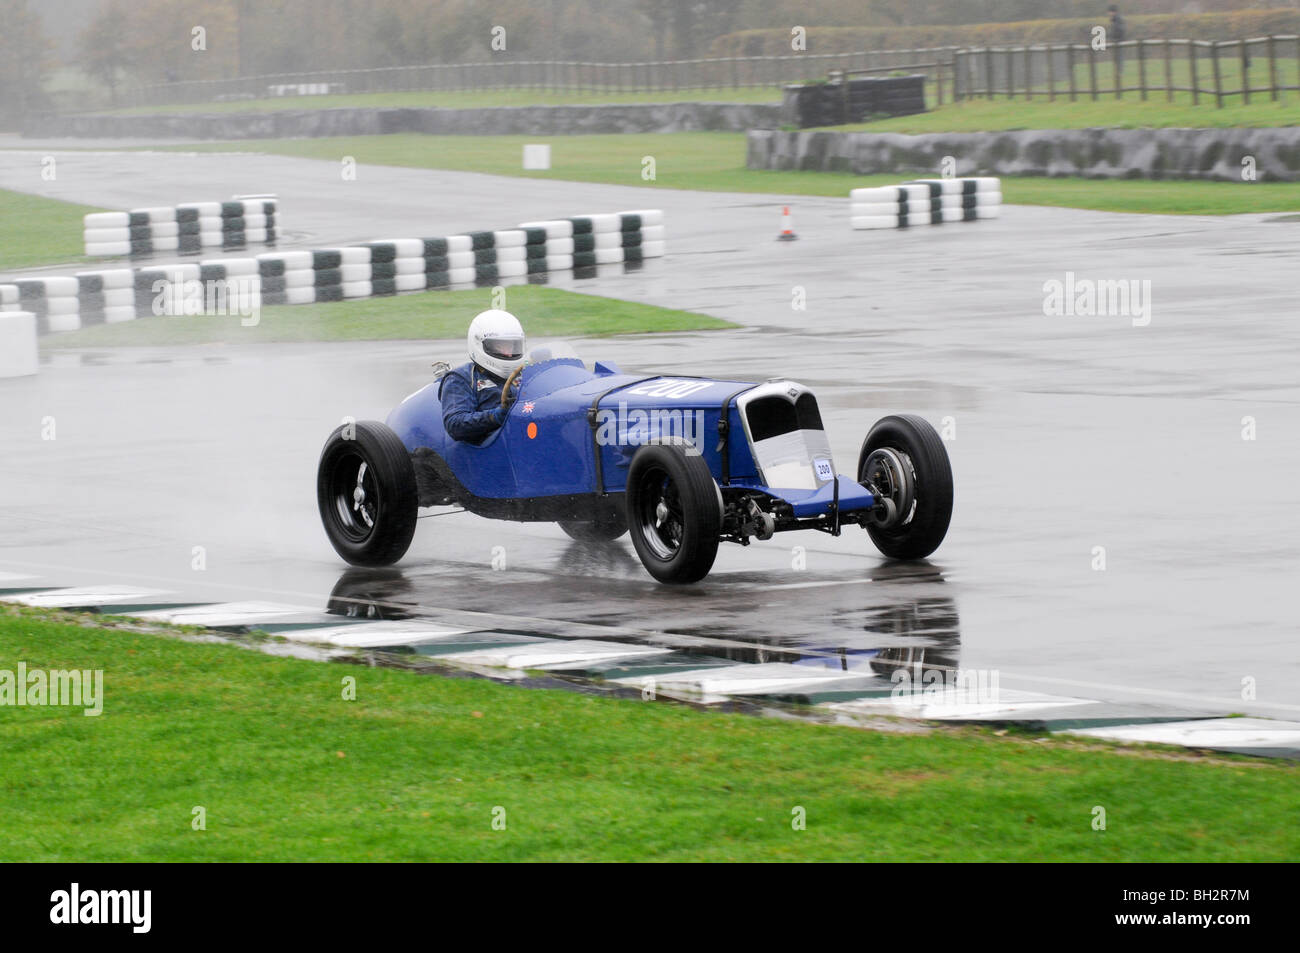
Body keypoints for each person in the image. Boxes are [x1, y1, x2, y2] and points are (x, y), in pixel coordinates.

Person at [440, 309, 527, 443]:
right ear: (479, 344)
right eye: (501, 346)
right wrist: (495, 416)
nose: (509, 354)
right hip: (490, 447)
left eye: (512, 347)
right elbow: (455, 424)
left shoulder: (527, 373)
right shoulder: (461, 378)